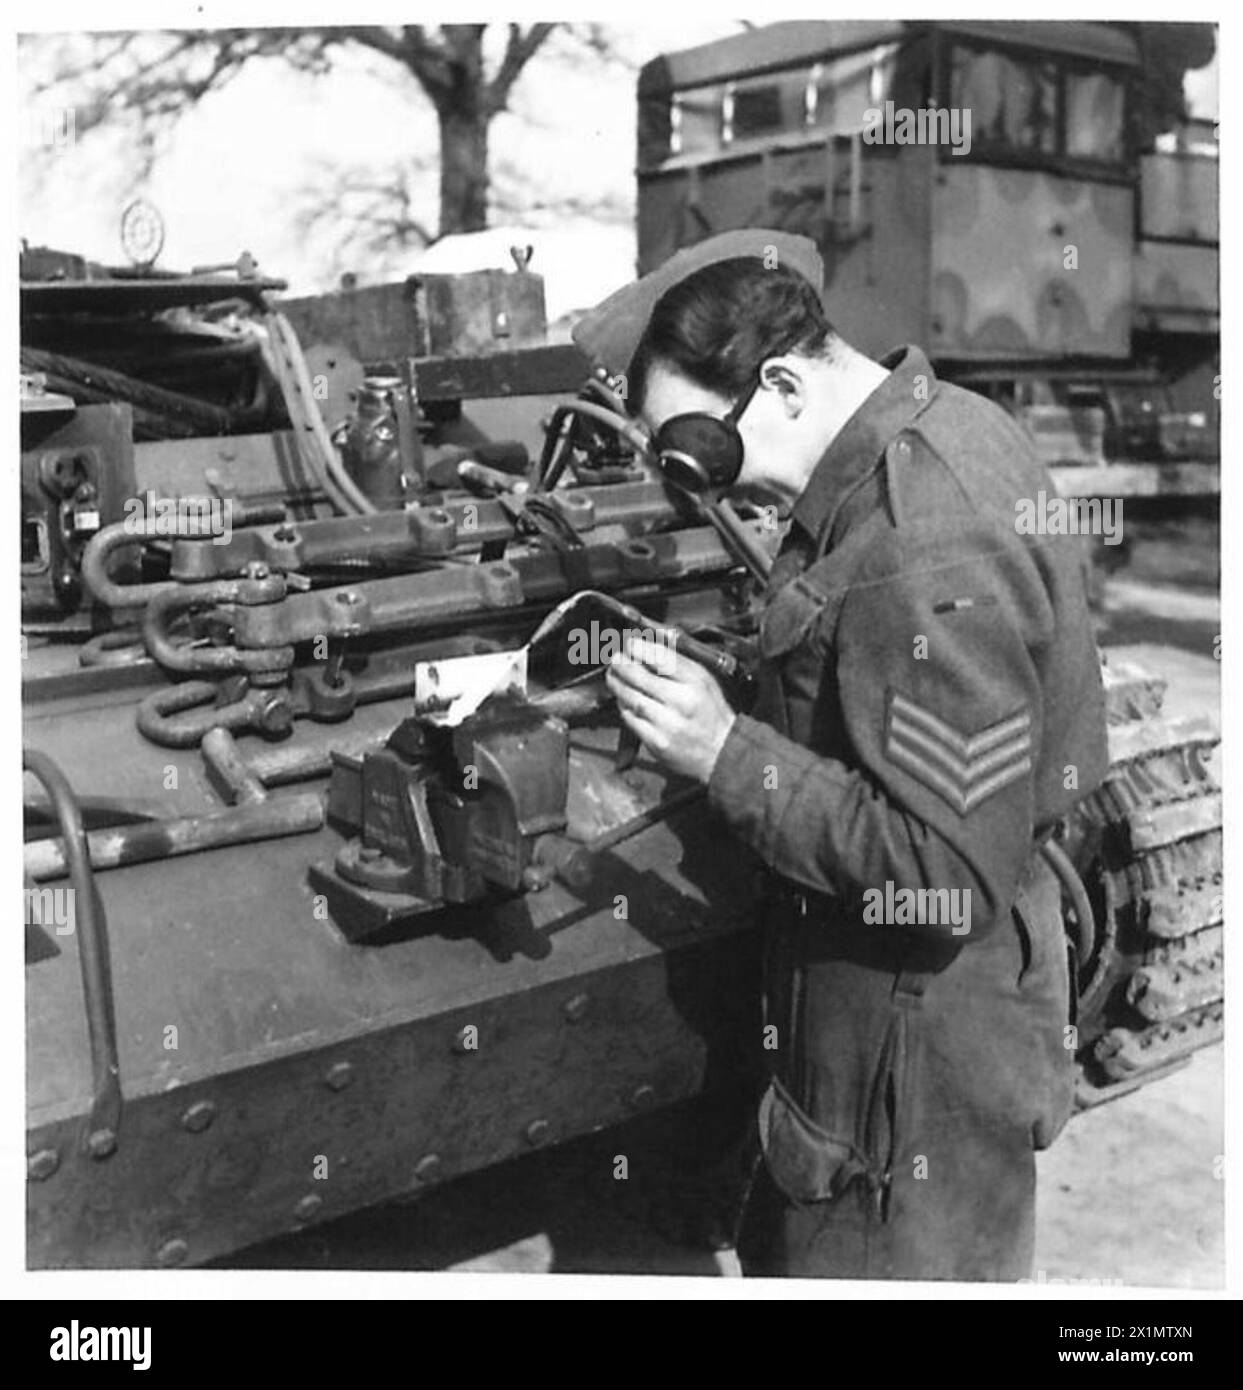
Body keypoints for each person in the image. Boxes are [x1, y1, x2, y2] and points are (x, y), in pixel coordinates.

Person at [572, 230, 1110, 1280]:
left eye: (694, 447)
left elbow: (945, 873)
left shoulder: (919, 542)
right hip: (929, 1017)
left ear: (778, 383)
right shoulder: (948, 427)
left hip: (908, 1047)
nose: (695, 487)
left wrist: (724, 750)